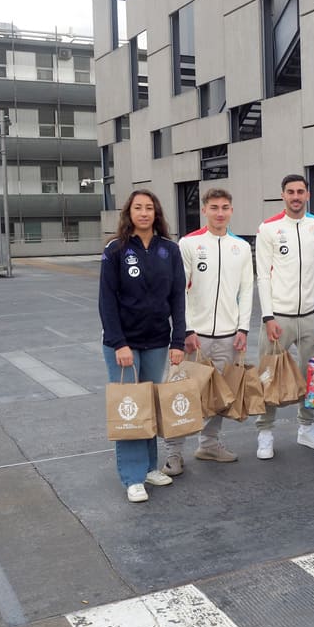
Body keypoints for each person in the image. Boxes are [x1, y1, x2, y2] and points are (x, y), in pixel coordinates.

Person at [98, 189, 186, 503]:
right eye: (138, 207)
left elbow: (177, 298)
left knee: (149, 403)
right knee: (130, 408)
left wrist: (178, 339)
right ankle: (133, 477)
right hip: (123, 343)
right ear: (129, 213)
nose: (144, 213)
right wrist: (119, 342)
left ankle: (149, 467)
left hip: (158, 340)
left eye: (150, 207)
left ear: (157, 213)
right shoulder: (116, 249)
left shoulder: (169, 250)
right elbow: (106, 300)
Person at [161, 189, 254, 476]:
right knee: (182, 394)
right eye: (214, 207)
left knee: (219, 395)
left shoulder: (240, 247)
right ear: (204, 210)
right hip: (195, 336)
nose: (220, 213)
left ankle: (209, 444)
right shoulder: (188, 244)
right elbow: (179, 291)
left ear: (232, 210)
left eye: (225, 207)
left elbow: (247, 289)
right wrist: (185, 329)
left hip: (229, 334)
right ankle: (173, 454)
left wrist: (243, 328)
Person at [255, 174, 314, 459]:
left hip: (311, 315)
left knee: (312, 374)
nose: (296, 196)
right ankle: (265, 431)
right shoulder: (269, 228)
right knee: (268, 376)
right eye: (290, 192)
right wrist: (268, 316)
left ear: (308, 195)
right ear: (283, 195)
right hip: (279, 317)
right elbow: (262, 274)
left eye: (300, 191)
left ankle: (306, 427)